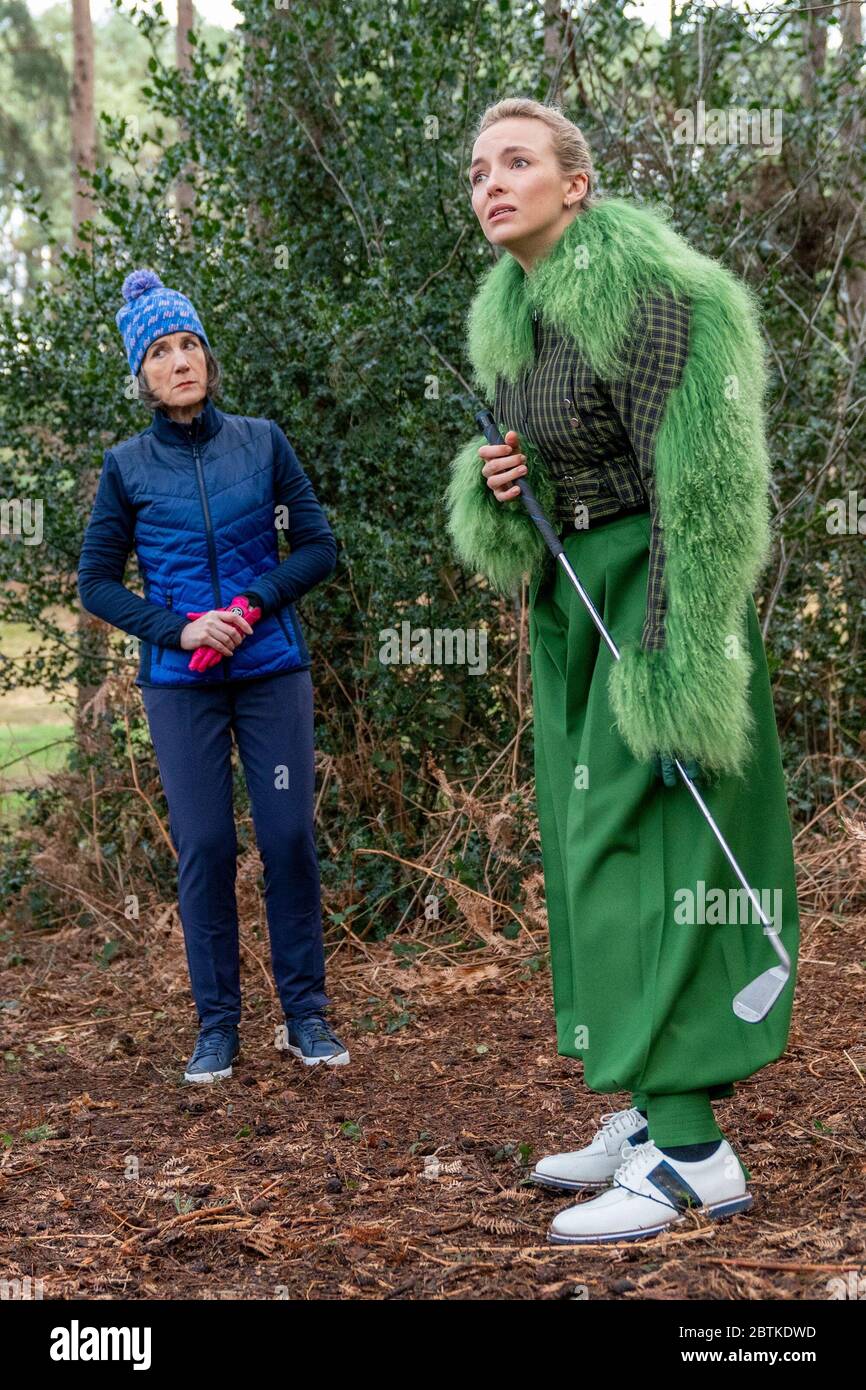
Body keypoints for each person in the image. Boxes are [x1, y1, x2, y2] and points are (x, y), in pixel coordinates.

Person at [446, 98, 800, 1244]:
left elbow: (704, 490)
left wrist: (675, 658)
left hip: (656, 597)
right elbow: (551, 473)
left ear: (577, 184)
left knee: (654, 853)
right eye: (476, 169)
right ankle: (650, 1111)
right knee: (591, 844)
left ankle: (693, 1152)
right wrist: (498, 485)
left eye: (515, 162)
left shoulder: (654, 298)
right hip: (574, 599)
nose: (489, 182)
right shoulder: (509, 314)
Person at [78, 269, 348, 1082]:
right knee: (204, 844)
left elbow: (316, 547)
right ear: (144, 376)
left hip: (269, 669)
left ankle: (306, 1016)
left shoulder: (261, 441)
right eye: (161, 351)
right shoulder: (126, 466)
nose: (180, 359)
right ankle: (218, 1025)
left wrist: (253, 602)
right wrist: (183, 627)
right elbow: (96, 582)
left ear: (208, 357)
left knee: (288, 837)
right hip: (180, 684)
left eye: (189, 343)